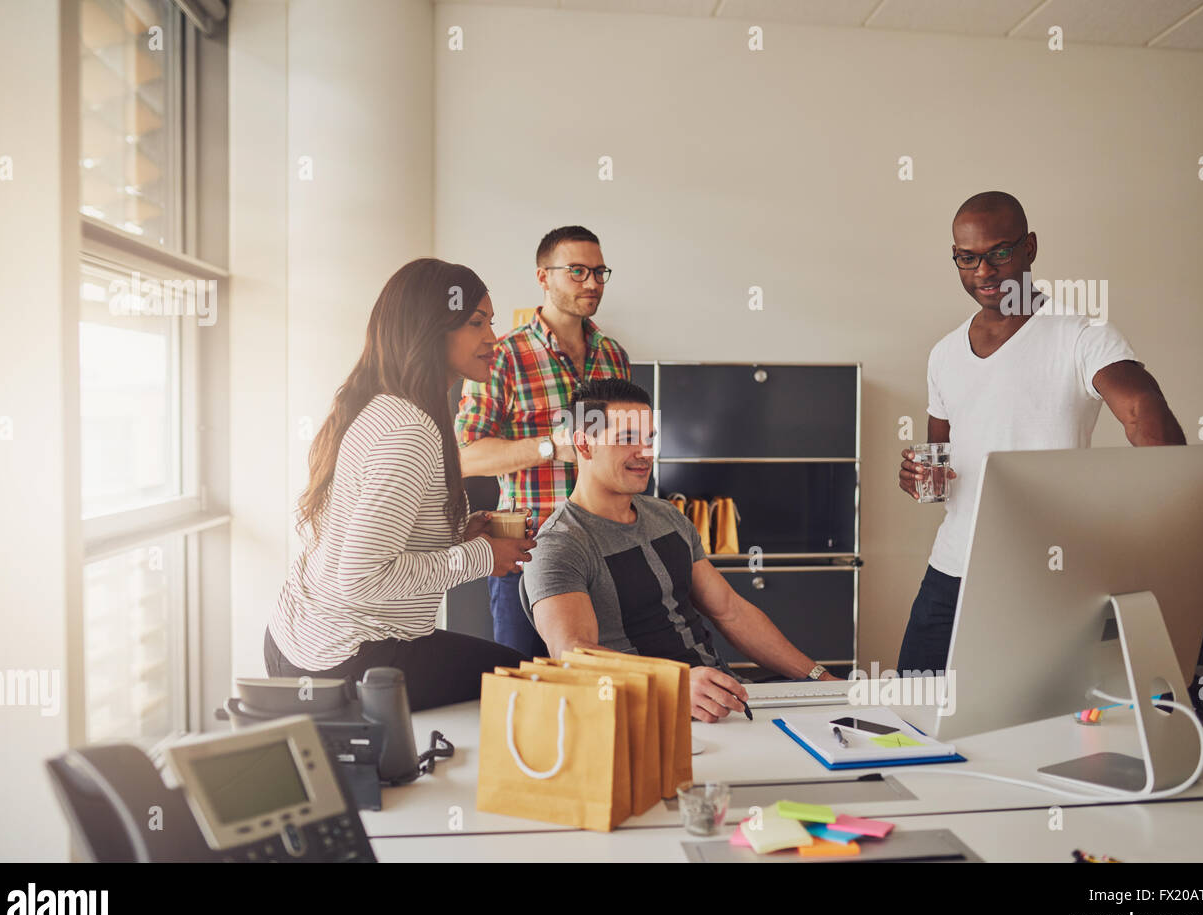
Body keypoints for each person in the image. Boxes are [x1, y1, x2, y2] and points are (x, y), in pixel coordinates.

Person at [896, 191, 1186, 674]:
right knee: (910, 709)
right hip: (952, 571)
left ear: (1030, 247)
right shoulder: (944, 353)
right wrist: (920, 480)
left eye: (999, 253)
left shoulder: (1081, 334)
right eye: (967, 258)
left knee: (1034, 730)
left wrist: (1166, 528)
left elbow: (1141, 414)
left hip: (1045, 577)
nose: (984, 271)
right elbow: (941, 462)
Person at [264, 258, 537, 711]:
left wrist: (459, 534)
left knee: (511, 677)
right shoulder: (409, 432)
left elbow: (376, 539)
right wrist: (483, 555)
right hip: (345, 659)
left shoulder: (387, 405)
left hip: (297, 642)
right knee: (523, 685)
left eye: (491, 322)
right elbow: (361, 578)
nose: (492, 337)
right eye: (476, 323)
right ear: (430, 329)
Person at [519, 378, 841, 724]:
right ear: (583, 445)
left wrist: (821, 679)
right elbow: (573, 655)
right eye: (628, 438)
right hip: (642, 713)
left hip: (718, 700)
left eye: (649, 439)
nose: (645, 453)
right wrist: (674, 683)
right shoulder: (557, 544)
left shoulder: (667, 516)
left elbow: (731, 612)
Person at [454, 226, 631, 657]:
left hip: (606, 551)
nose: (592, 283)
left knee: (599, 682)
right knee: (526, 686)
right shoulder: (502, 356)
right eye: (577, 271)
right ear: (543, 277)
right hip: (529, 554)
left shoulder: (614, 356)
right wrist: (553, 445)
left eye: (599, 272)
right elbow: (465, 457)